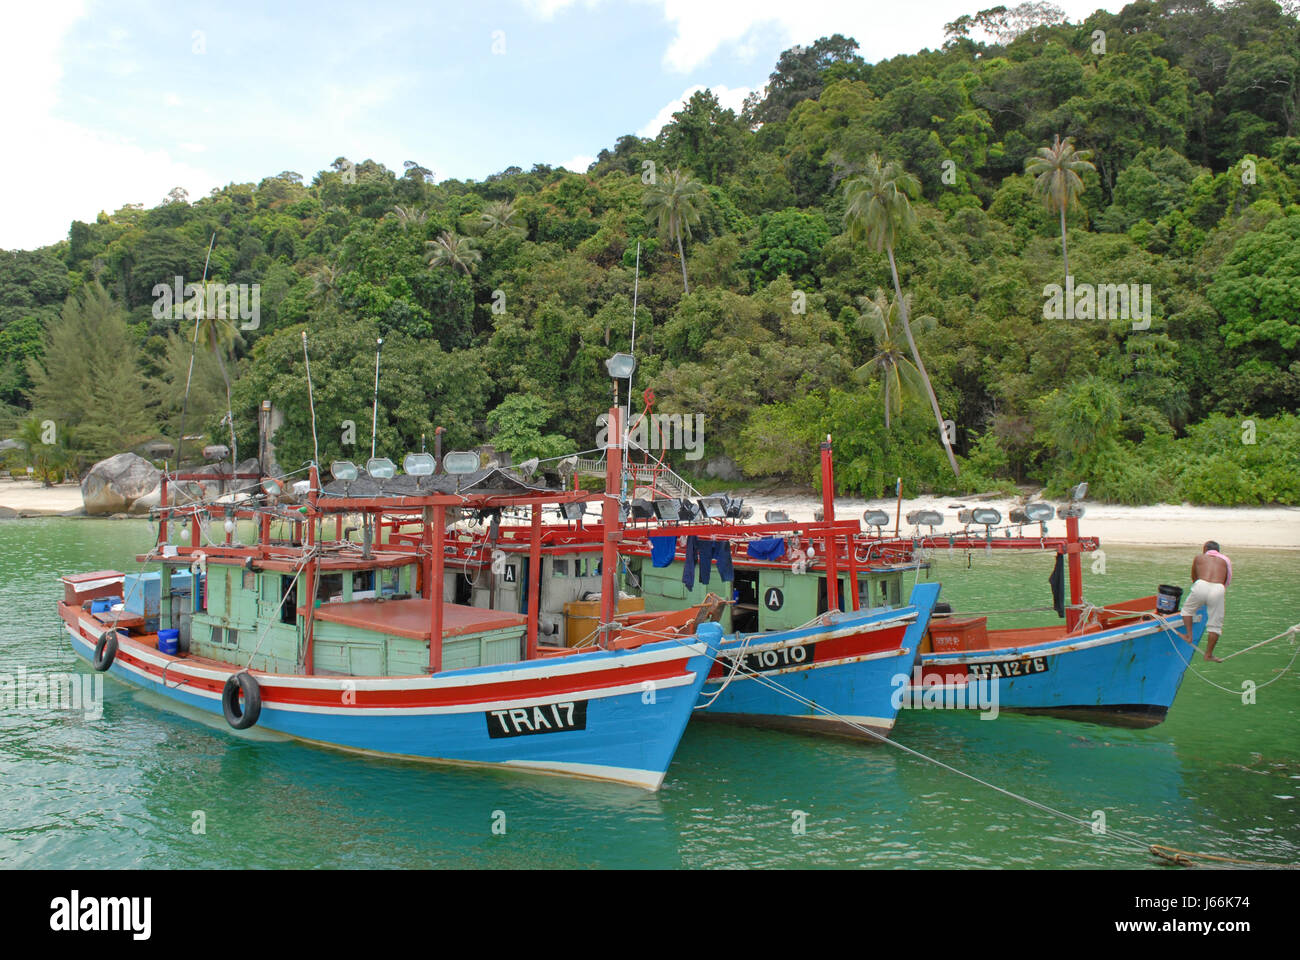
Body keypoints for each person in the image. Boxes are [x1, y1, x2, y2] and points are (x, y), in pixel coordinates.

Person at [1182, 541, 1230, 661]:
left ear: (1205, 549)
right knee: (1215, 626)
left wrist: (1200, 597)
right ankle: (1208, 654)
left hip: (1201, 585)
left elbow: (1194, 577)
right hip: (1218, 588)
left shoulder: (1199, 557)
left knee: (1187, 611)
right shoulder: (1225, 560)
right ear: (1218, 551)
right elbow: (1227, 580)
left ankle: (1189, 636)